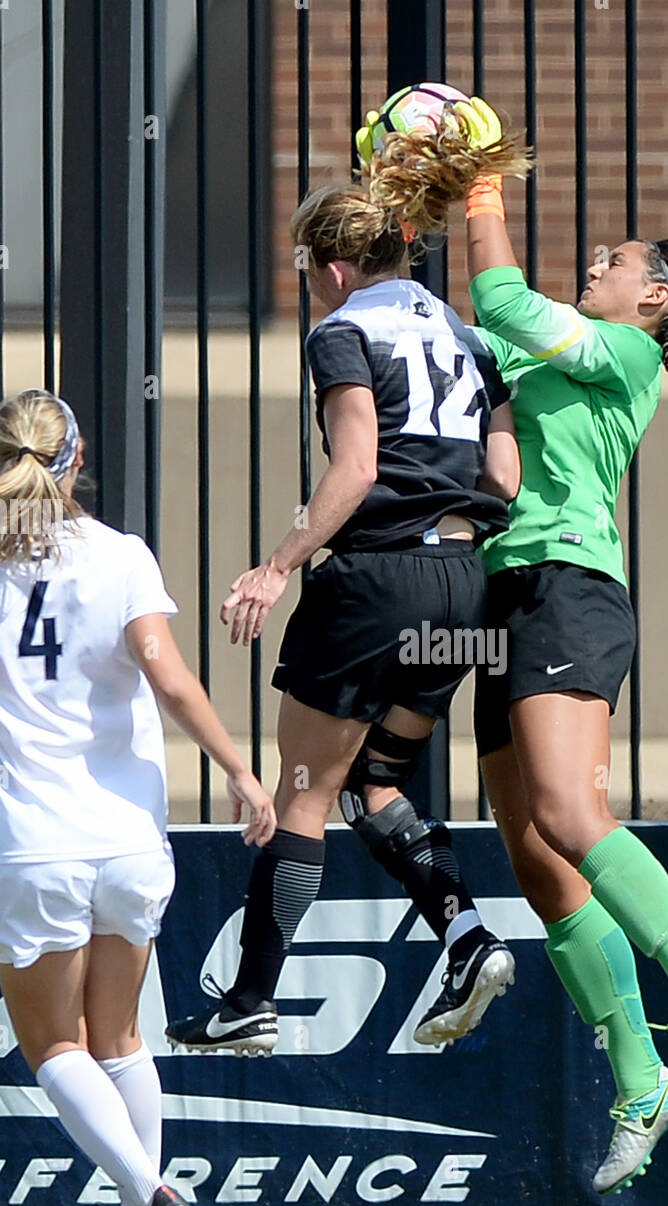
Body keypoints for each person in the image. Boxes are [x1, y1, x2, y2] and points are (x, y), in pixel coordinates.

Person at [371, 96, 668, 1193]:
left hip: (568, 587)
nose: (598, 259)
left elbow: (497, 291)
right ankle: (640, 1078)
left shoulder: (624, 354)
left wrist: (482, 178)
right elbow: (469, 326)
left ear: (654, 299)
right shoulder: (554, 348)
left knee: (574, 813)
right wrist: (421, 202)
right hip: (503, 594)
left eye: (619, 257)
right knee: (543, 869)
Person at [166, 132, 529, 1058]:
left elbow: (358, 466)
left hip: (377, 580)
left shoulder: (344, 331)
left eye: (305, 270)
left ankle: (248, 998)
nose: (307, 288)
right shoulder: (468, 334)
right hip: (461, 585)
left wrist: (278, 563)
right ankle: (468, 935)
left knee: (302, 793)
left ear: (333, 266)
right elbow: (504, 478)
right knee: (377, 783)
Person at [0, 388, 276, 1206]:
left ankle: (149, 1192)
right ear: (76, 460)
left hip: (31, 840)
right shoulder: (120, 555)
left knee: (54, 1049)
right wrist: (239, 770)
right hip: (127, 837)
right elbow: (169, 676)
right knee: (120, 1036)